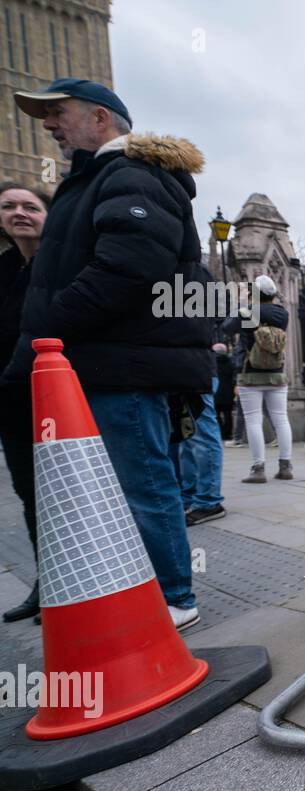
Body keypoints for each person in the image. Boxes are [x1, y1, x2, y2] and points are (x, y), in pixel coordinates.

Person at [4, 78, 210, 630]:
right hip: (98, 361)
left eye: (58, 113)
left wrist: (50, 329)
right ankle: (137, 589)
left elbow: (128, 268)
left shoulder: (131, 173)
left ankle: (173, 598)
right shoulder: (97, 178)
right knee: (113, 486)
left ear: (100, 119)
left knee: (143, 482)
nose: (48, 125)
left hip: (120, 365)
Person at [0, 182, 51, 623]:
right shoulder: (3, 269)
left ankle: (79, 581)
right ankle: (47, 582)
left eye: (30, 206)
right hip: (11, 401)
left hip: (56, 399)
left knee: (66, 494)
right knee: (30, 495)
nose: (19, 212)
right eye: (9, 206)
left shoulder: (59, 265)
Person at [222, 275, 293, 482]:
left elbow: (227, 327)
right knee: (281, 419)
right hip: (277, 372)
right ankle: (285, 466)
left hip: (250, 372)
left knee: (253, 420)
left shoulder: (248, 312)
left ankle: (258, 468)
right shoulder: (283, 314)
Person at [172, 263, 226, 526]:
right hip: (178, 363)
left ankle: (208, 499)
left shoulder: (193, 271)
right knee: (184, 437)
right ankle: (190, 495)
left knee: (201, 434)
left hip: (193, 364)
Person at [213, 341, 235, 439]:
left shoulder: (212, 363)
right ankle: (228, 433)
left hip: (216, 392)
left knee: (216, 414)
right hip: (228, 393)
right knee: (228, 414)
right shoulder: (231, 362)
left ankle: (220, 432)